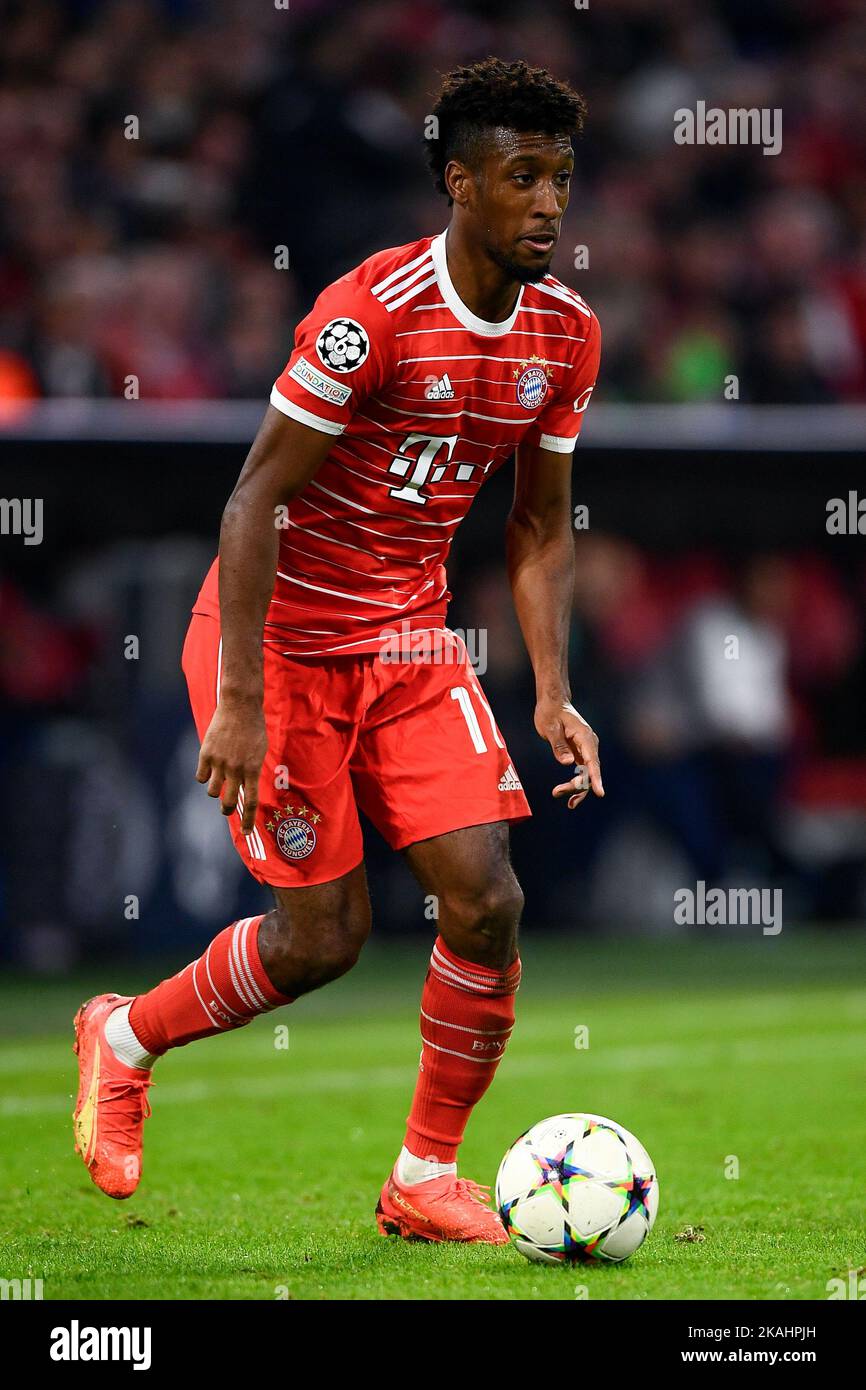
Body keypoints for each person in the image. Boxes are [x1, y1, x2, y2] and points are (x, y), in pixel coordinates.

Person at [73, 58, 603, 1244]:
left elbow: (534, 525)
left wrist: (554, 692)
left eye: (561, 178)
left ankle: (422, 1176)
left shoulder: (565, 335)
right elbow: (251, 501)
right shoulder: (369, 316)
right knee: (321, 941)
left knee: (486, 902)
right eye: (521, 178)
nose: (548, 205)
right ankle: (122, 1034)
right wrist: (241, 701)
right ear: (458, 183)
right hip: (278, 642)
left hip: (409, 640)